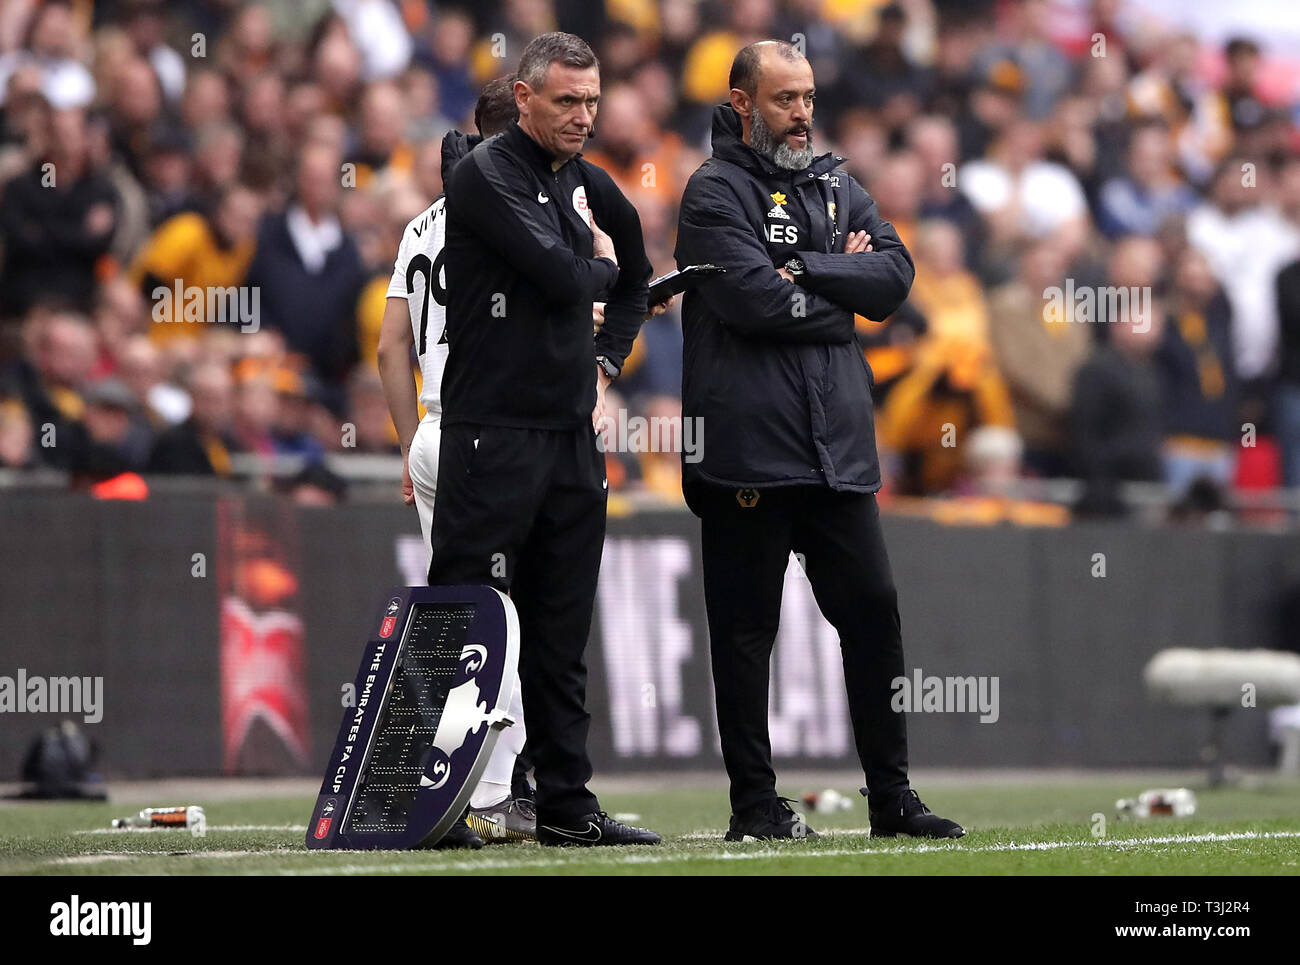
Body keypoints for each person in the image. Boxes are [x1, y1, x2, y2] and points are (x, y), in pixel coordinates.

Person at [674, 40, 965, 841]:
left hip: (837, 445)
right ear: (742, 104)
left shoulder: (836, 181)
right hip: (747, 449)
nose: (802, 112)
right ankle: (755, 805)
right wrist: (839, 279)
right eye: (783, 99)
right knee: (745, 633)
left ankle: (893, 797)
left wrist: (805, 269)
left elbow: (898, 277)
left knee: (873, 611)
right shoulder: (710, 193)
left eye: (806, 97)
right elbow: (754, 304)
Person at [428, 32, 660, 847]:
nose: (583, 117)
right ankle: (430, 797)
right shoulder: (485, 175)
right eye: (567, 101)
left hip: (569, 437)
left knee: (560, 631)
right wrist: (594, 260)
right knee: (463, 614)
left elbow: (636, 278)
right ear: (522, 98)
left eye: (593, 102)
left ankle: (567, 803)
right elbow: (570, 275)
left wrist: (605, 359)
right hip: (492, 432)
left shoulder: (591, 183)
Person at [377, 77, 536, 848]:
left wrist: (410, 444)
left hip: (435, 429)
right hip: (495, 431)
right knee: (505, 616)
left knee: (459, 608)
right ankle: (495, 789)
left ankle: (420, 777)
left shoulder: (420, 224)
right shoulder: (515, 213)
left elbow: (388, 349)